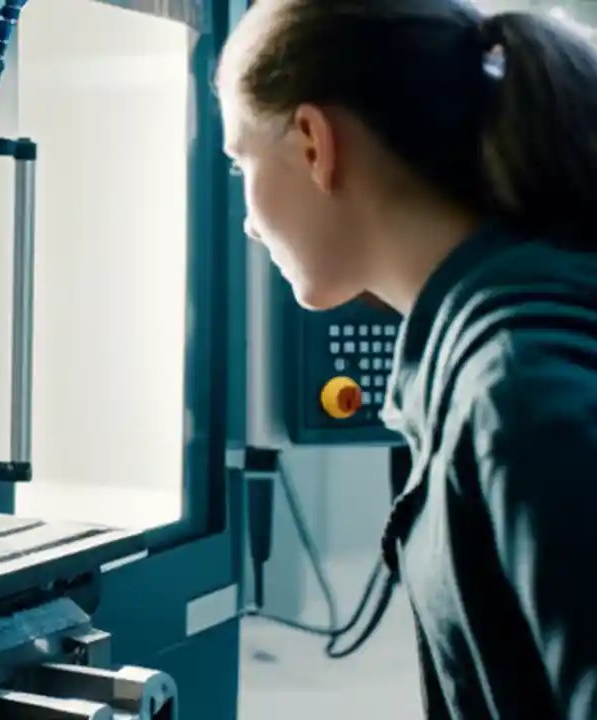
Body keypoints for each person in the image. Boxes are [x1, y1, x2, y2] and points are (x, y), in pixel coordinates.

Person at [216, 1, 597, 718]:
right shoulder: (514, 331)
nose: (247, 219)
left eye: (240, 162)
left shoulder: (514, 392)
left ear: (311, 143)